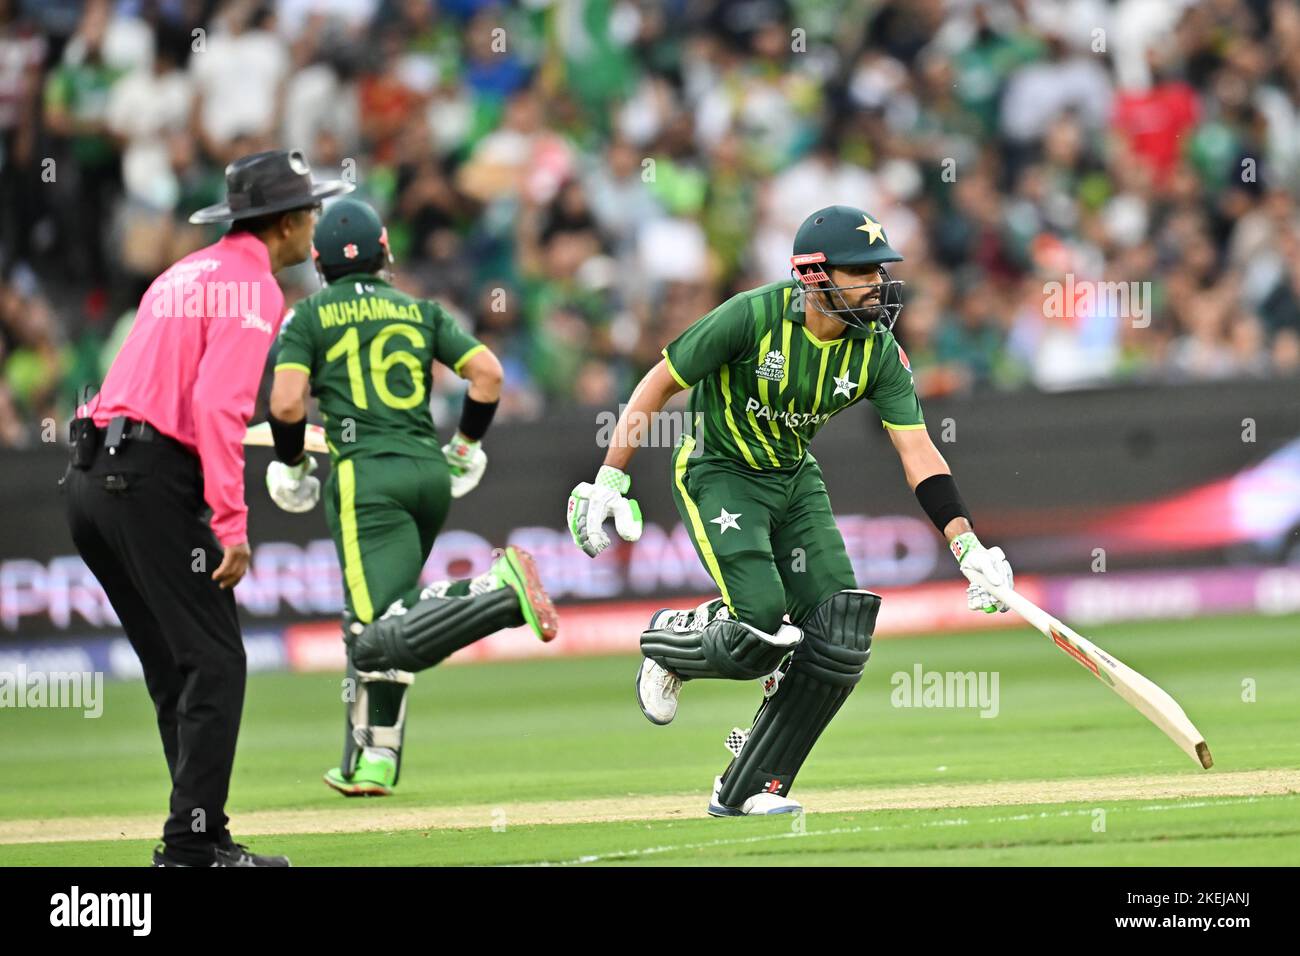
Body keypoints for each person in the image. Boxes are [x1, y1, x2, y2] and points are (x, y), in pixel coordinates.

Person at [567, 205, 1015, 816]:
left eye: (879, 270)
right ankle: (670, 643)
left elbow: (918, 451)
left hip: (794, 478)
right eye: (861, 272)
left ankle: (752, 785)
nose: (878, 284)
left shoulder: (878, 350)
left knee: (841, 636)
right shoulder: (751, 316)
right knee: (761, 629)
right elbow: (659, 383)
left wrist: (967, 546)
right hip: (719, 473)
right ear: (814, 277)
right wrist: (610, 477)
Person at [62, 149, 353, 865]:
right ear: (286, 223)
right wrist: (232, 524)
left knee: (176, 668)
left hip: (90, 479)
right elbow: (217, 406)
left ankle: (199, 838)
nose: (315, 225)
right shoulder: (254, 289)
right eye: (310, 212)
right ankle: (191, 849)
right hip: (146, 480)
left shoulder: (184, 271)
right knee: (216, 663)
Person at [266, 197, 557, 797]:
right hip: (427, 474)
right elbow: (489, 374)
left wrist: (292, 465)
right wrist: (465, 446)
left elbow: (287, 404)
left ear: (318, 263)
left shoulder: (308, 316)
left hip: (366, 480)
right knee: (384, 617)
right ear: (385, 253)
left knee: (374, 632)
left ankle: (493, 589)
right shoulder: (418, 309)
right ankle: (373, 759)